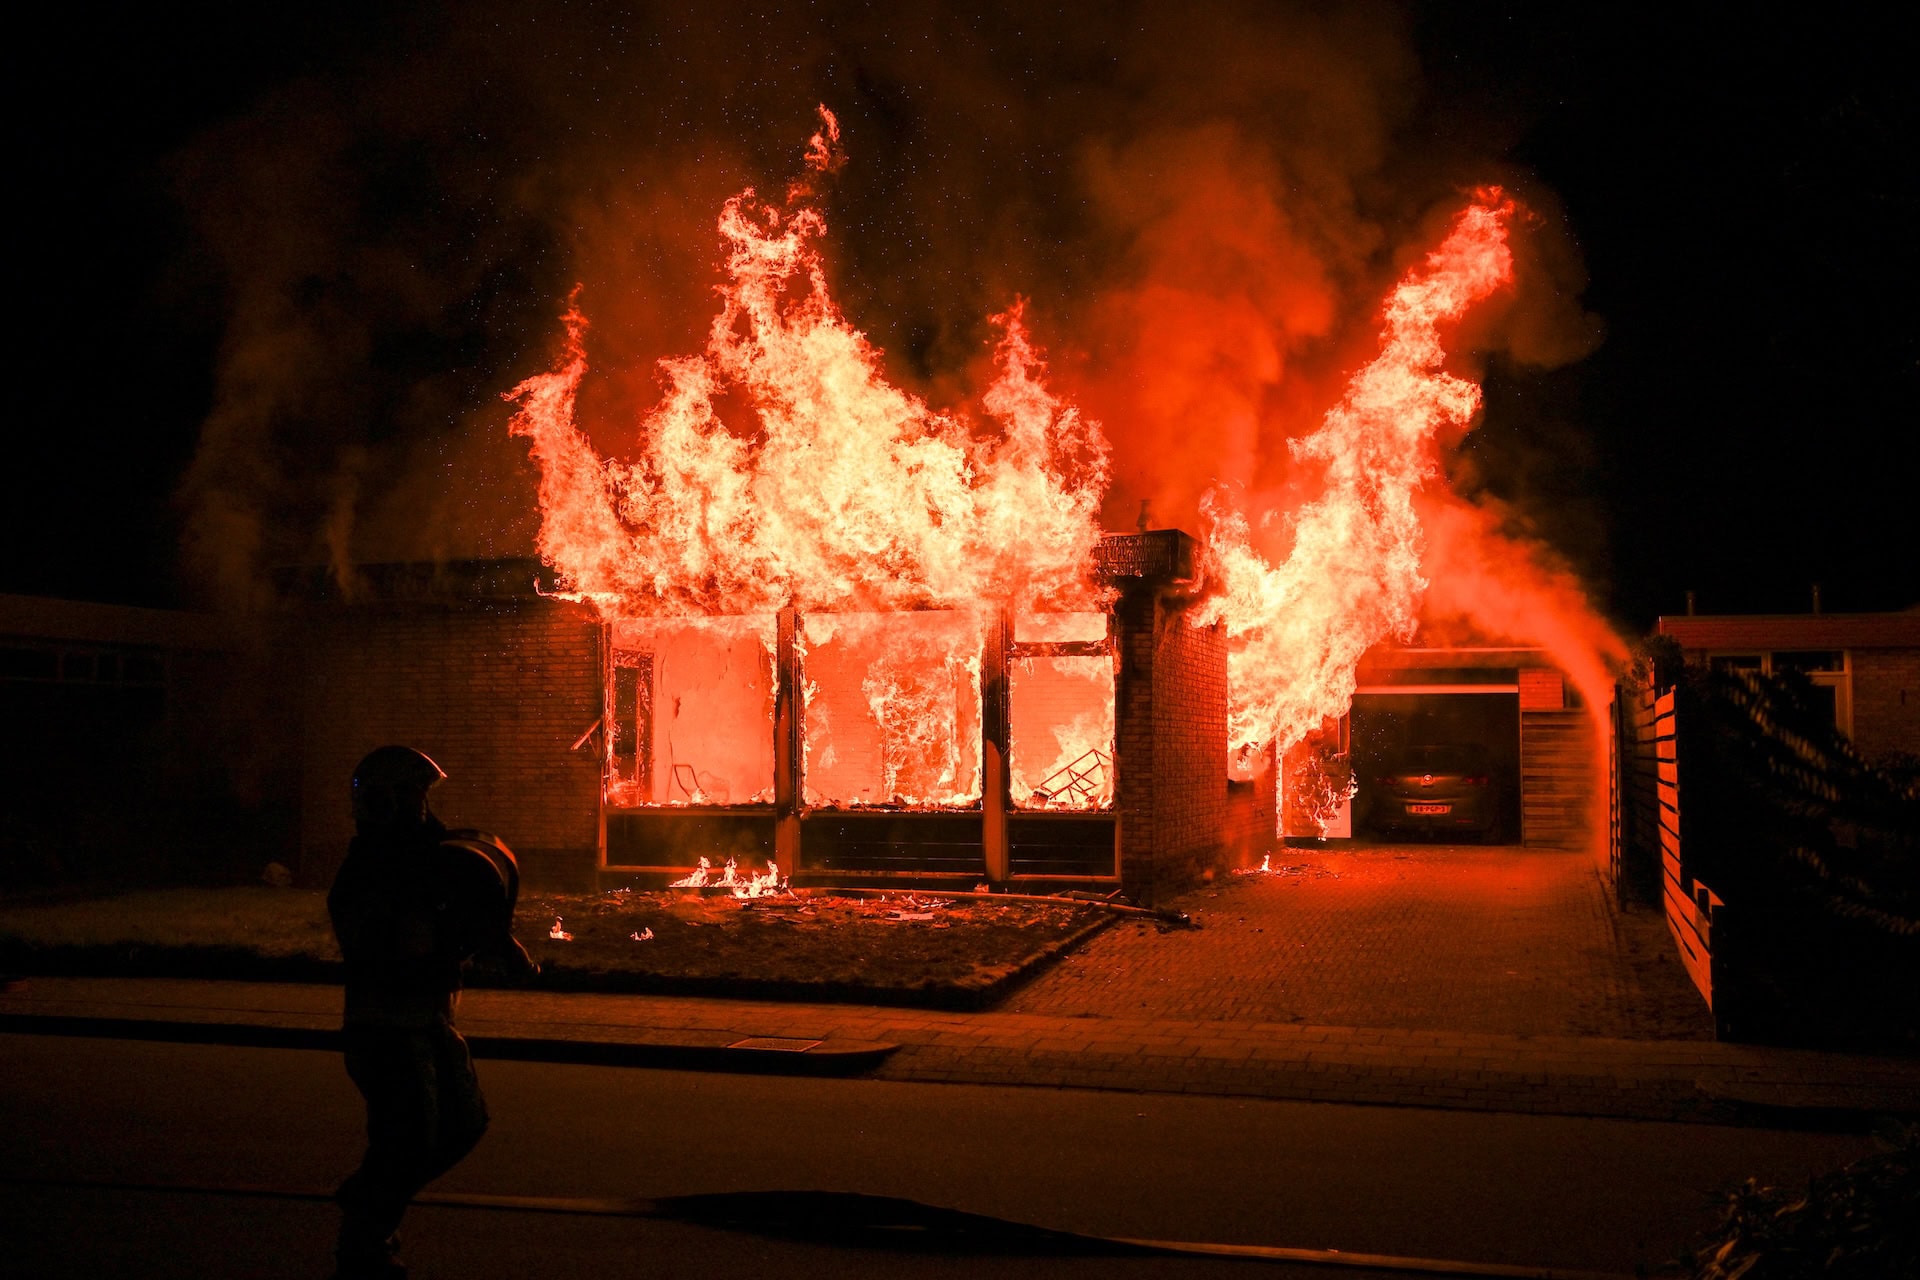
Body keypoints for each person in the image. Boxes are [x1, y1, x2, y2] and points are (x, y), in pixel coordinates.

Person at [328, 746, 537, 1280]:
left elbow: (461, 901)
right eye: (413, 798)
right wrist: (445, 945)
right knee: (409, 1138)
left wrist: (497, 940)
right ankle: (364, 1242)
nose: (423, 809)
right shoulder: (366, 877)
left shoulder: (422, 861)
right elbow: (400, 947)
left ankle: (372, 1195)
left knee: (464, 1125)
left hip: (430, 1022)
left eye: (425, 798)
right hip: (385, 1032)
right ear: (384, 803)